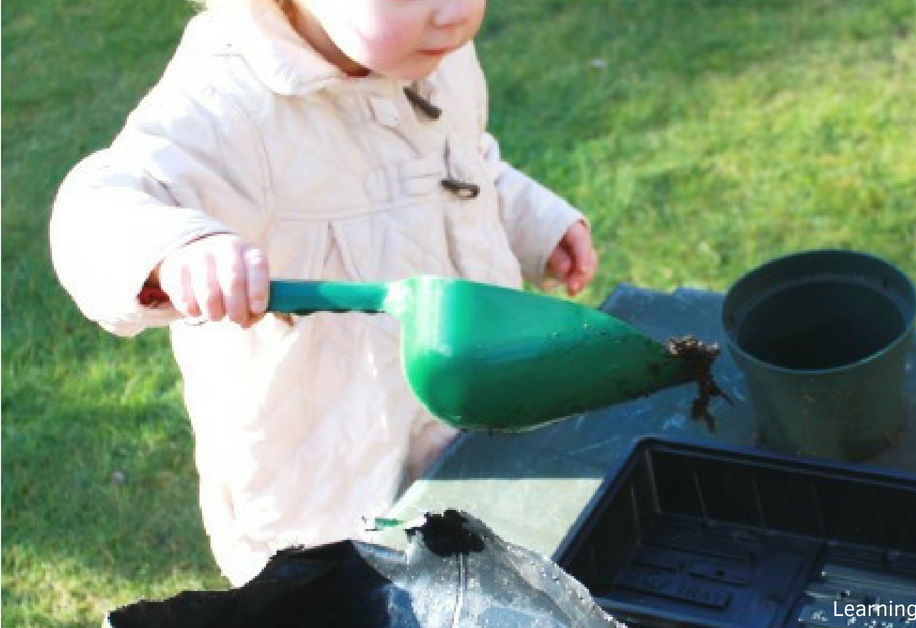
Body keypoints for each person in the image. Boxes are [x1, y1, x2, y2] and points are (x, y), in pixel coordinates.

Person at [50, 0, 597, 586]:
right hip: (328, 482)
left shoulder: (436, 61)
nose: (456, 13)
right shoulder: (227, 101)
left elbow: (468, 167)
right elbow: (97, 208)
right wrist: (176, 249)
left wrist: (538, 223)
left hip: (465, 431)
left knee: (482, 586)